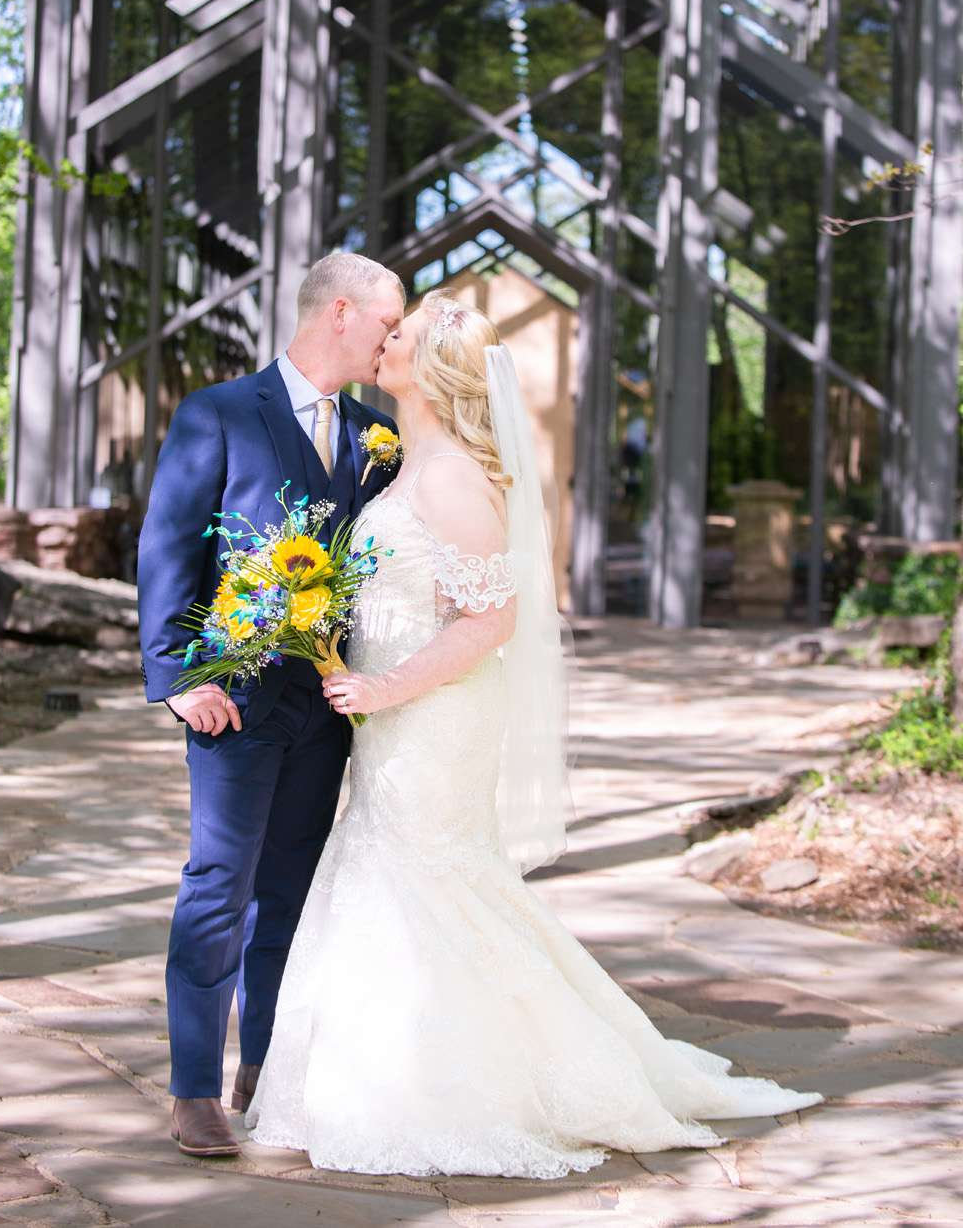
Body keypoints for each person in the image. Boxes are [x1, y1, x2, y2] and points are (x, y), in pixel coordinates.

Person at [245, 290, 821, 1178]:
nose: (382, 343)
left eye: (397, 337)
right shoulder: (409, 463)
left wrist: (383, 685)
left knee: (426, 879)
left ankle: (463, 1087)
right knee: (407, 878)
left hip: (434, 714)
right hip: (395, 715)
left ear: (431, 375)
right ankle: (374, 1074)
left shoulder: (450, 479)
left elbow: (490, 619)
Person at [137, 252, 405, 1157]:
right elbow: (168, 548)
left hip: (325, 711)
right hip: (234, 705)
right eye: (385, 323)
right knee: (219, 886)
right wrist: (181, 679)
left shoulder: (379, 437)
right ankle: (191, 1089)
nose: (391, 339)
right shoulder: (218, 413)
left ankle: (265, 1068)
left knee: (289, 894)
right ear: (340, 312)